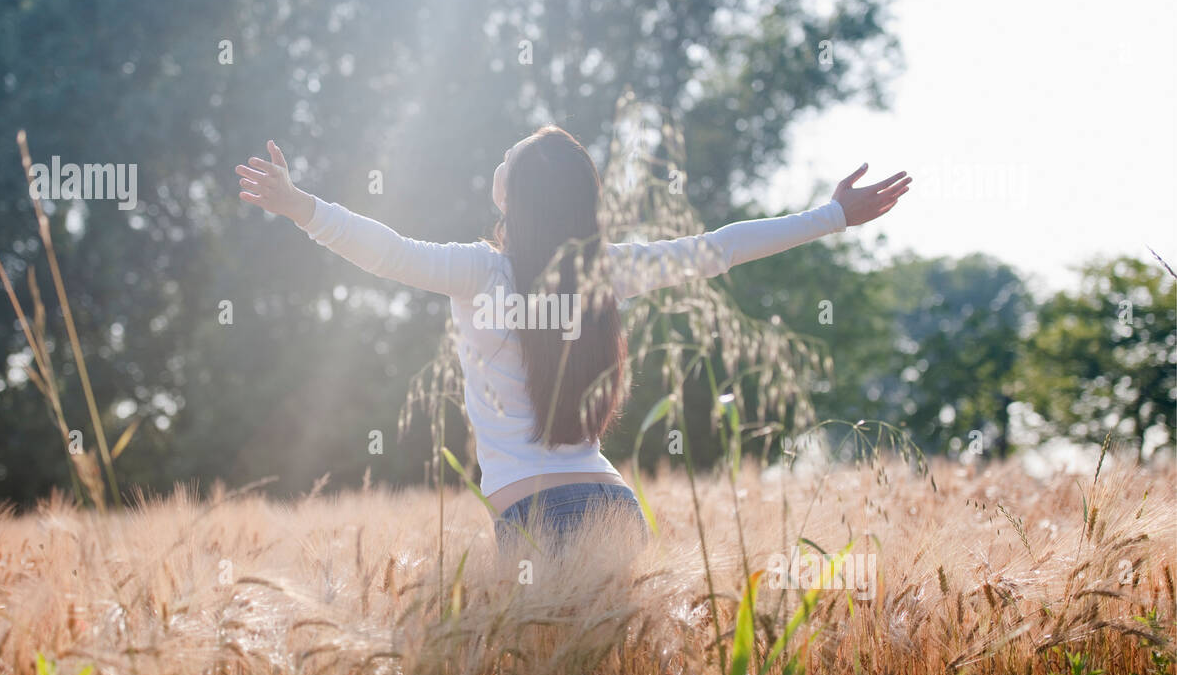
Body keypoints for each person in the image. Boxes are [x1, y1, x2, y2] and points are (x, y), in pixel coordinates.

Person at [235, 126, 909, 551]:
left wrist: (299, 206)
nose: (499, 157)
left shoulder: (478, 271)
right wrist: (831, 216)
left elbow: (386, 250)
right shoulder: (609, 271)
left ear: (512, 193)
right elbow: (718, 249)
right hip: (616, 510)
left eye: (508, 156)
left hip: (538, 521)